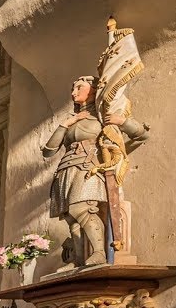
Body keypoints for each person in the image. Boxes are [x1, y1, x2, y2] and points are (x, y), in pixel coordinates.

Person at [42, 75, 148, 268]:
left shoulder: (103, 114)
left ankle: (99, 253)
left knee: (81, 208)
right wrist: (66, 123)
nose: (74, 93)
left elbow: (141, 135)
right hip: (67, 168)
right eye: (72, 89)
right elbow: (49, 151)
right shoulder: (72, 120)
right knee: (70, 216)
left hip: (90, 166)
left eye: (79, 88)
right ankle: (79, 260)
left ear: (93, 90)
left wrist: (121, 121)